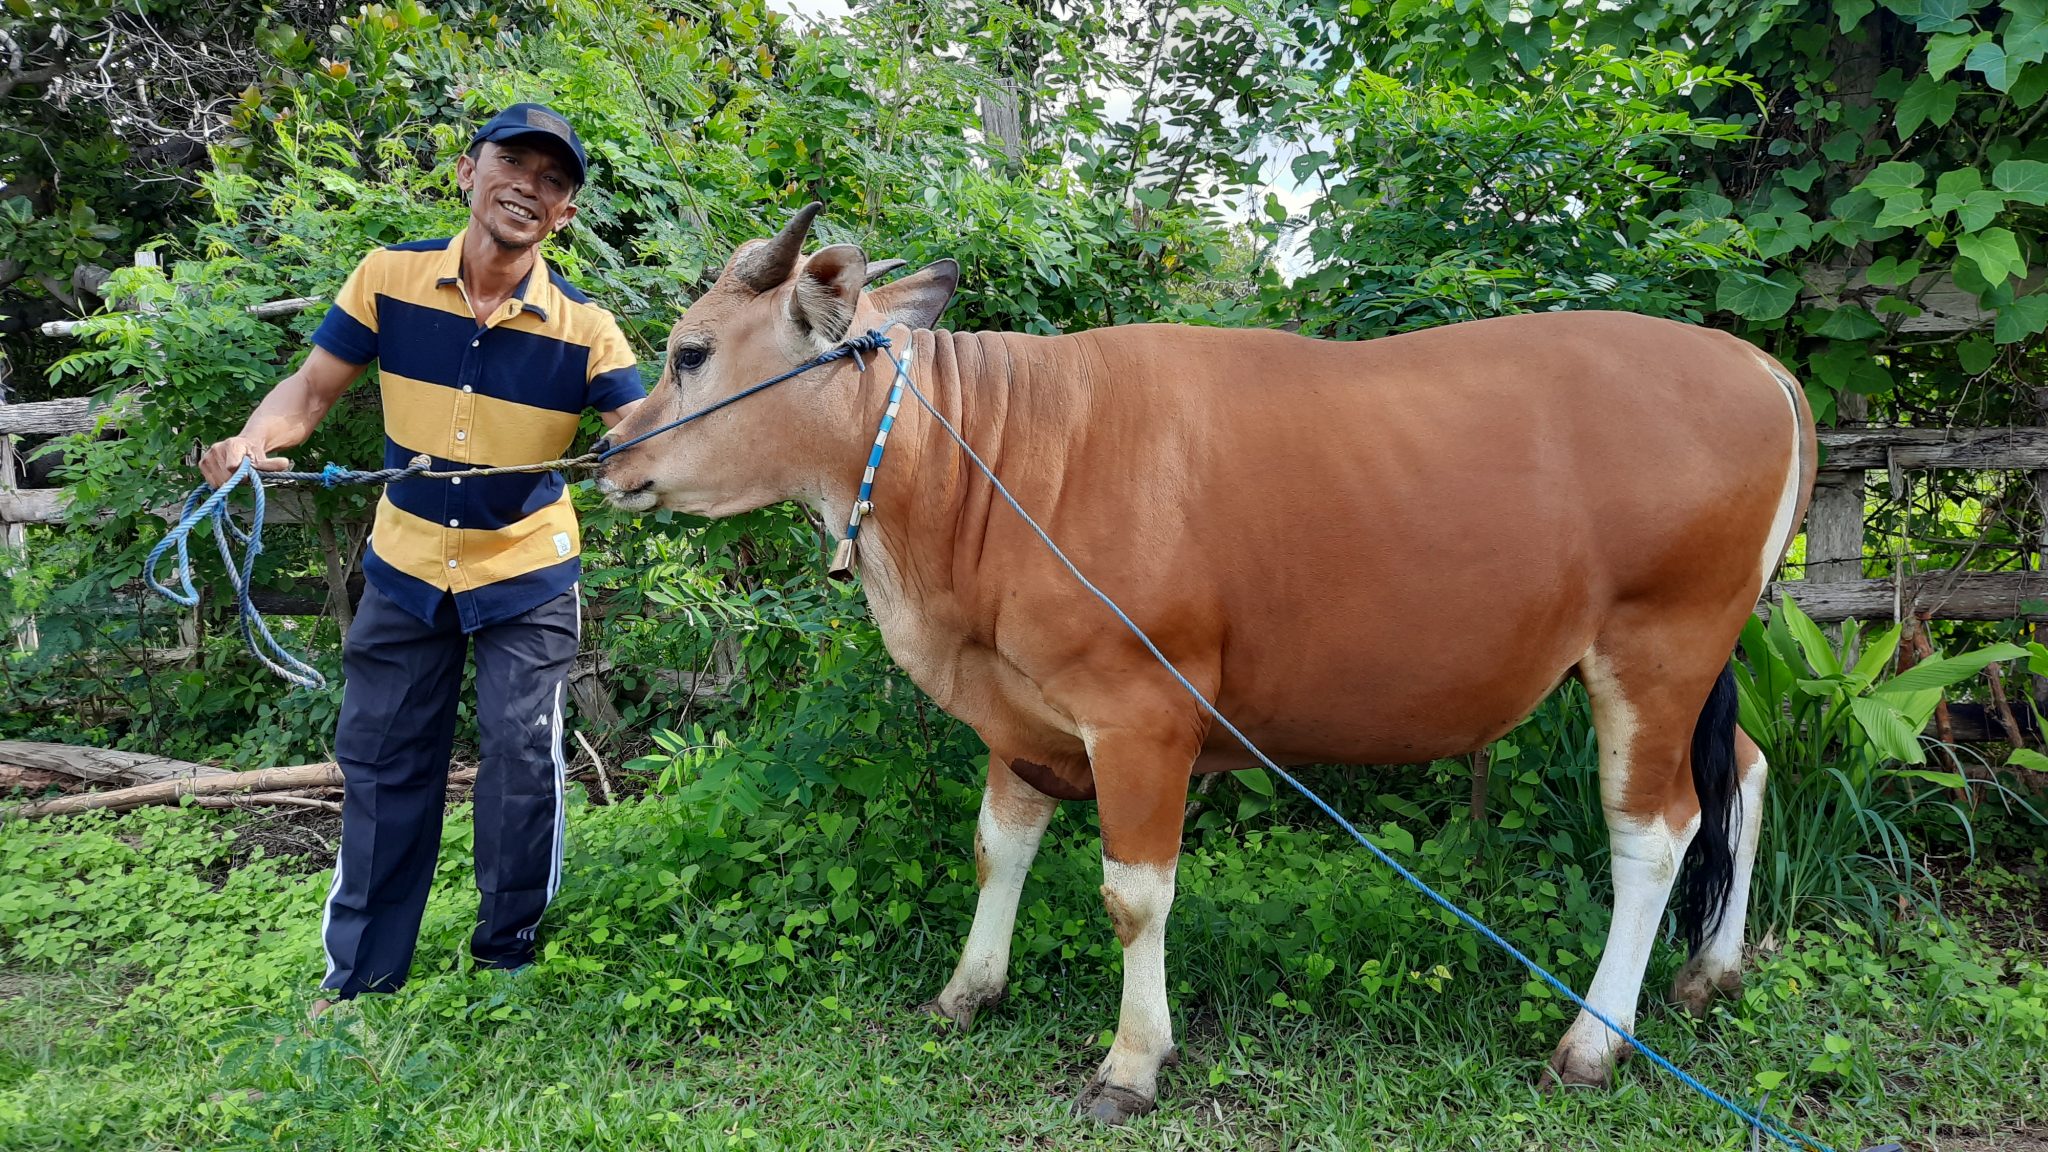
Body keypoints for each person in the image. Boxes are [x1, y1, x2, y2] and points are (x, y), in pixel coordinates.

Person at [199, 103, 645, 1014]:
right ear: (468, 172)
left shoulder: (589, 330)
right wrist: (252, 440)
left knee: (523, 762)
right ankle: (361, 977)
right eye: (513, 163)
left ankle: (506, 960)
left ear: (564, 216)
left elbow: (636, 435)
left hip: (525, 568)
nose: (530, 185)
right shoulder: (388, 277)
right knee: (387, 760)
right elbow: (311, 390)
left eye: (554, 181)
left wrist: (664, 442)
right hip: (405, 563)